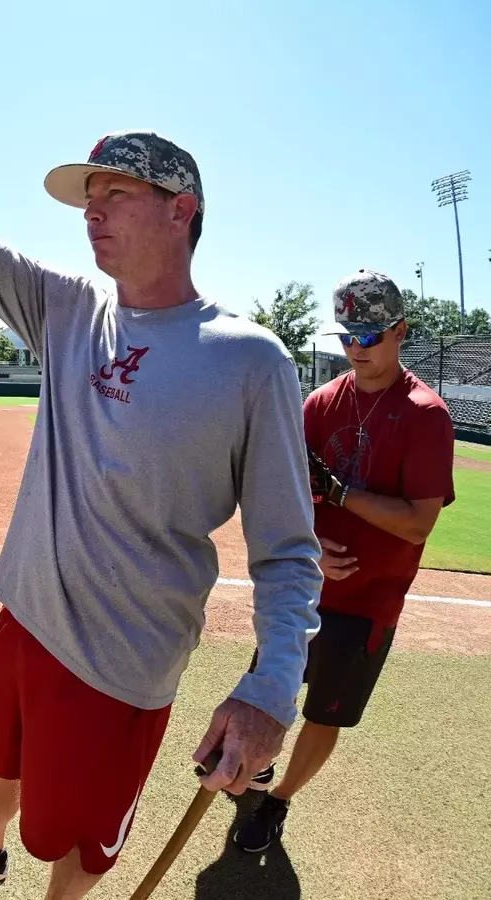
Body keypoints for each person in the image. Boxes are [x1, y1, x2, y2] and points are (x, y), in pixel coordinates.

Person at [0, 11, 322, 896]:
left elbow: (288, 552)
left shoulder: (251, 360)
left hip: (123, 659)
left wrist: (272, 689)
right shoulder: (67, 309)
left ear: (181, 210)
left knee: (78, 841)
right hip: (25, 613)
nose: (91, 213)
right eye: (87, 199)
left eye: (116, 195)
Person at [233, 270, 455, 852]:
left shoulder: (426, 414)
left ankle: (278, 801)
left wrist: (339, 494)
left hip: (367, 602)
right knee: (272, 688)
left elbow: (419, 522)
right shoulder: (319, 402)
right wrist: (309, 541)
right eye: (348, 336)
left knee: (325, 714)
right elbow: (286, 492)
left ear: (400, 331)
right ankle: (260, 767)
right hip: (303, 590)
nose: (357, 349)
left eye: (370, 336)